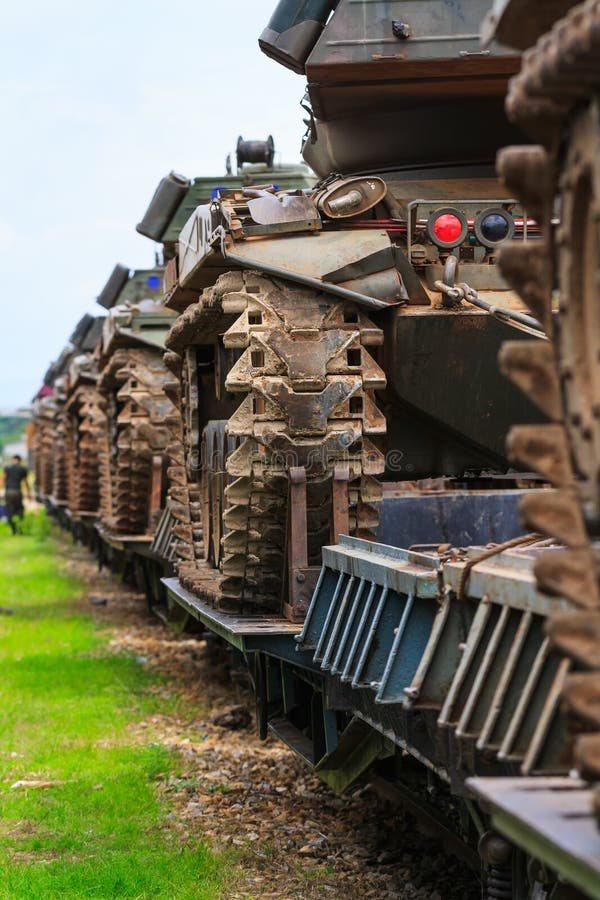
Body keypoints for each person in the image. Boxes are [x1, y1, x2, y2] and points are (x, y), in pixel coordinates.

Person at [3, 455, 30, 534]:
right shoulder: (23, 469)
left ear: (13, 460)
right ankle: (19, 528)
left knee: (10, 510)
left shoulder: (7, 468)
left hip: (9, 492)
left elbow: (3, 479)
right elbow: (25, 482)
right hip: (18, 491)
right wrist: (28, 493)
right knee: (19, 509)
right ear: (20, 460)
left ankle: (13, 529)